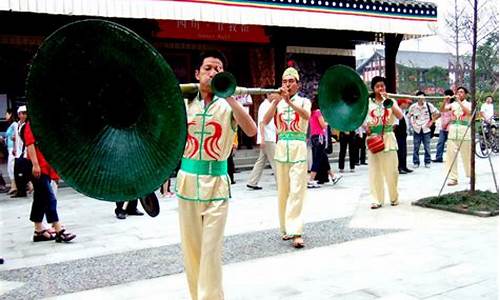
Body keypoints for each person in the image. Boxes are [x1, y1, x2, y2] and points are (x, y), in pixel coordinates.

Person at [175, 51, 256, 300]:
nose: (212, 73)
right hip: (187, 183)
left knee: (211, 250)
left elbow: (251, 130)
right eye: (208, 68)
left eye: (218, 69)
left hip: (217, 186)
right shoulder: (185, 103)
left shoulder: (227, 105)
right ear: (197, 74)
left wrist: (231, 98)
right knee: (192, 250)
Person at [263, 67, 311, 248]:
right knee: (283, 190)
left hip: (298, 147)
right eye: (284, 81)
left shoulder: (304, 101)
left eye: (291, 81)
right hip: (282, 148)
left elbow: (305, 115)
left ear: (298, 84)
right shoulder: (278, 103)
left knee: (297, 190)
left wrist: (289, 102)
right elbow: (265, 121)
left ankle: (296, 230)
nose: (287, 84)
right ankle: (285, 228)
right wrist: (276, 103)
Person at [24, 119, 76, 243]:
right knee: (49, 198)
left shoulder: (43, 124)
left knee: (40, 199)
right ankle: (58, 230)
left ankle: (38, 230)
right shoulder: (31, 125)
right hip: (37, 167)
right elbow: (30, 144)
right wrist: (35, 165)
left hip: (45, 167)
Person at [365, 76, 403, 209]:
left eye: (382, 86)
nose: (380, 88)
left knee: (392, 170)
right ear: (373, 89)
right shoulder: (368, 102)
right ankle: (376, 199)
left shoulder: (391, 101)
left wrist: (389, 100)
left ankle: (394, 197)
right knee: (375, 171)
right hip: (373, 138)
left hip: (388, 137)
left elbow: (400, 116)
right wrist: (366, 127)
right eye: (377, 86)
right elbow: (363, 118)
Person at [307, 96, 342, 188]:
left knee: (323, 157)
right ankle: (310, 180)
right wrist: (328, 122)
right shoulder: (318, 112)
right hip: (320, 137)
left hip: (314, 137)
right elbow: (322, 125)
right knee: (318, 159)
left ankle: (333, 176)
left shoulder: (311, 113)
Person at [247, 90, 278, 190]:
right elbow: (261, 123)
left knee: (261, 161)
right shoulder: (265, 106)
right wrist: (263, 139)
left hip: (268, 137)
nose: (276, 95)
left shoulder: (269, 105)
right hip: (267, 138)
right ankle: (281, 183)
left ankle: (252, 181)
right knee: (276, 161)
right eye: (274, 93)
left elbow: (270, 124)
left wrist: (278, 132)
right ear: (268, 94)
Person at [440, 86, 472, 186]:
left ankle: (471, 175)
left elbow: (469, 112)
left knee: (467, 156)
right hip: (453, 132)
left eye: (461, 92)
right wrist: (445, 101)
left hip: (465, 132)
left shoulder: (469, 104)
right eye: (458, 92)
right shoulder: (452, 104)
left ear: (466, 94)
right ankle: (453, 178)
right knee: (451, 157)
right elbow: (443, 110)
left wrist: (459, 102)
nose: (459, 94)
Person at [408, 91, 439, 168]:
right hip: (417, 129)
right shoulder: (413, 107)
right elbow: (409, 116)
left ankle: (427, 161)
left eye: (423, 98)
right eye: (419, 98)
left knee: (427, 147)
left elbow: (438, 113)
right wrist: (413, 124)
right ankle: (416, 162)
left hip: (426, 129)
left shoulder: (429, 106)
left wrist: (432, 121)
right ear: (416, 98)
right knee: (416, 147)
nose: (421, 99)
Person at [12, 105, 29, 198]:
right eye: (22, 113)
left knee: (23, 172)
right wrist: (14, 147)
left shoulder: (27, 125)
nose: (24, 115)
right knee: (16, 173)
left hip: (24, 152)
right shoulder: (17, 125)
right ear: (19, 114)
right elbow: (16, 137)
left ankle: (24, 189)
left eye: (25, 113)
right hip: (18, 152)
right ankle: (21, 191)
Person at [393, 98, 414, 174]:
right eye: (406, 103)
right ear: (401, 103)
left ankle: (404, 166)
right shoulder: (397, 111)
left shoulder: (405, 112)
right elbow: (395, 124)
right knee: (399, 151)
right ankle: (399, 167)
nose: (407, 105)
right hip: (398, 134)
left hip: (403, 134)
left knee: (404, 151)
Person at [433, 89, 454, 163]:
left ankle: (451, 158)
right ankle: (438, 157)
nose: (444, 96)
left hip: (449, 127)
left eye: (445, 95)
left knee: (450, 144)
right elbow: (441, 112)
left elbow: (452, 117)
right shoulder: (444, 104)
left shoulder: (453, 105)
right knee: (440, 142)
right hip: (443, 127)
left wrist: (446, 124)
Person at [5, 109, 18, 194]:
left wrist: (15, 148)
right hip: (10, 148)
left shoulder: (14, 125)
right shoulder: (10, 125)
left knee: (12, 167)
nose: (5, 116)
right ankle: (14, 185)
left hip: (13, 148)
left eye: (6, 114)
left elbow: (16, 136)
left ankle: (14, 186)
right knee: (10, 167)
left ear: (10, 115)